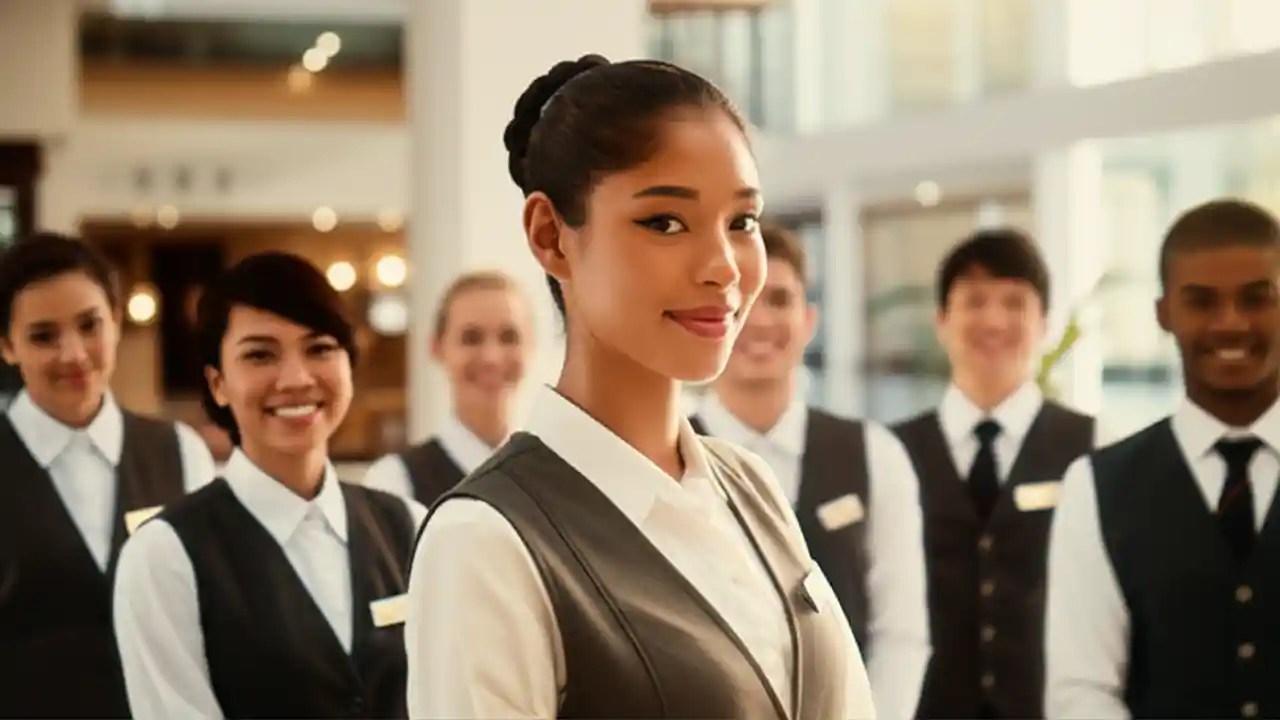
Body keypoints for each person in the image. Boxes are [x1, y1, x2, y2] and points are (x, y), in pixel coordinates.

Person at [405, 54, 876, 719]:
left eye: (741, 222)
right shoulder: (486, 539)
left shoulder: (749, 486)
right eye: (665, 223)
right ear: (551, 236)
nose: (723, 267)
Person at [113, 252, 427, 719]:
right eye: (260, 355)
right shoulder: (164, 556)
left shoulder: (411, 527)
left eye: (319, 348)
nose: (296, 378)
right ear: (218, 384)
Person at [1046, 199, 1280, 719]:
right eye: (1201, 302)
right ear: (1164, 313)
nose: (1231, 324)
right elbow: (1082, 691)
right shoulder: (1097, 487)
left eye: (1256, 298)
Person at [691, 222, 930, 719]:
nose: (760, 320)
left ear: (809, 320)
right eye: (743, 299)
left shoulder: (875, 455)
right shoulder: (663, 455)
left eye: (779, 299)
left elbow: (900, 634)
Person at [0, 232, 216, 719]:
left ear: (116, 320)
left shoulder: (182, 453)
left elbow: (209, 616)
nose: (74, 354)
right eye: (44, 336)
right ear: (7, 346)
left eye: (89, 325)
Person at [891, 228, 1094, 719]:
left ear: (1044, 322)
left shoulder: (1092, 448)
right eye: (975, 301)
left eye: (1014, 302)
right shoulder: (889, 453)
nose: (994, 320)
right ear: (942, 320)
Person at [363, 270, 532, 504]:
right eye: (471, 338)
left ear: (531, 345)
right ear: (437, 348)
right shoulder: (394, 483)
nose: (491, 357)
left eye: (508, 337)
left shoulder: (556, 475)